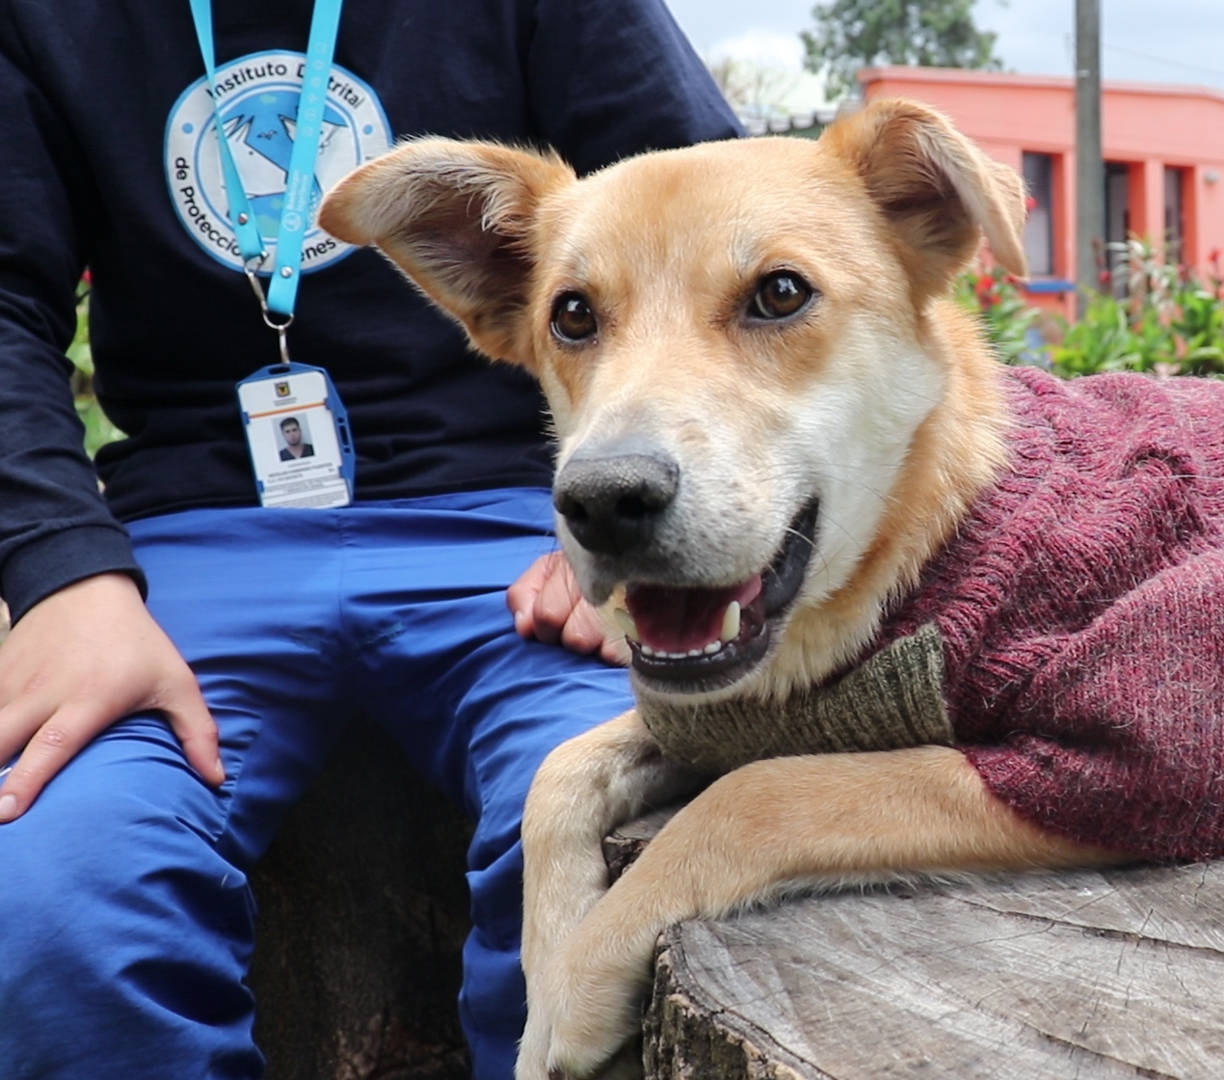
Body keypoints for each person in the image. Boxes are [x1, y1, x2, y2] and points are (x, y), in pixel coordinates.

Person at [0, 2, 739, 1077]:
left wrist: (638, 538)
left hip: (520, 528)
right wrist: (63, 575)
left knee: (626, 861)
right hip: (183, 548)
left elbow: (713, 211)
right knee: (57, 890)